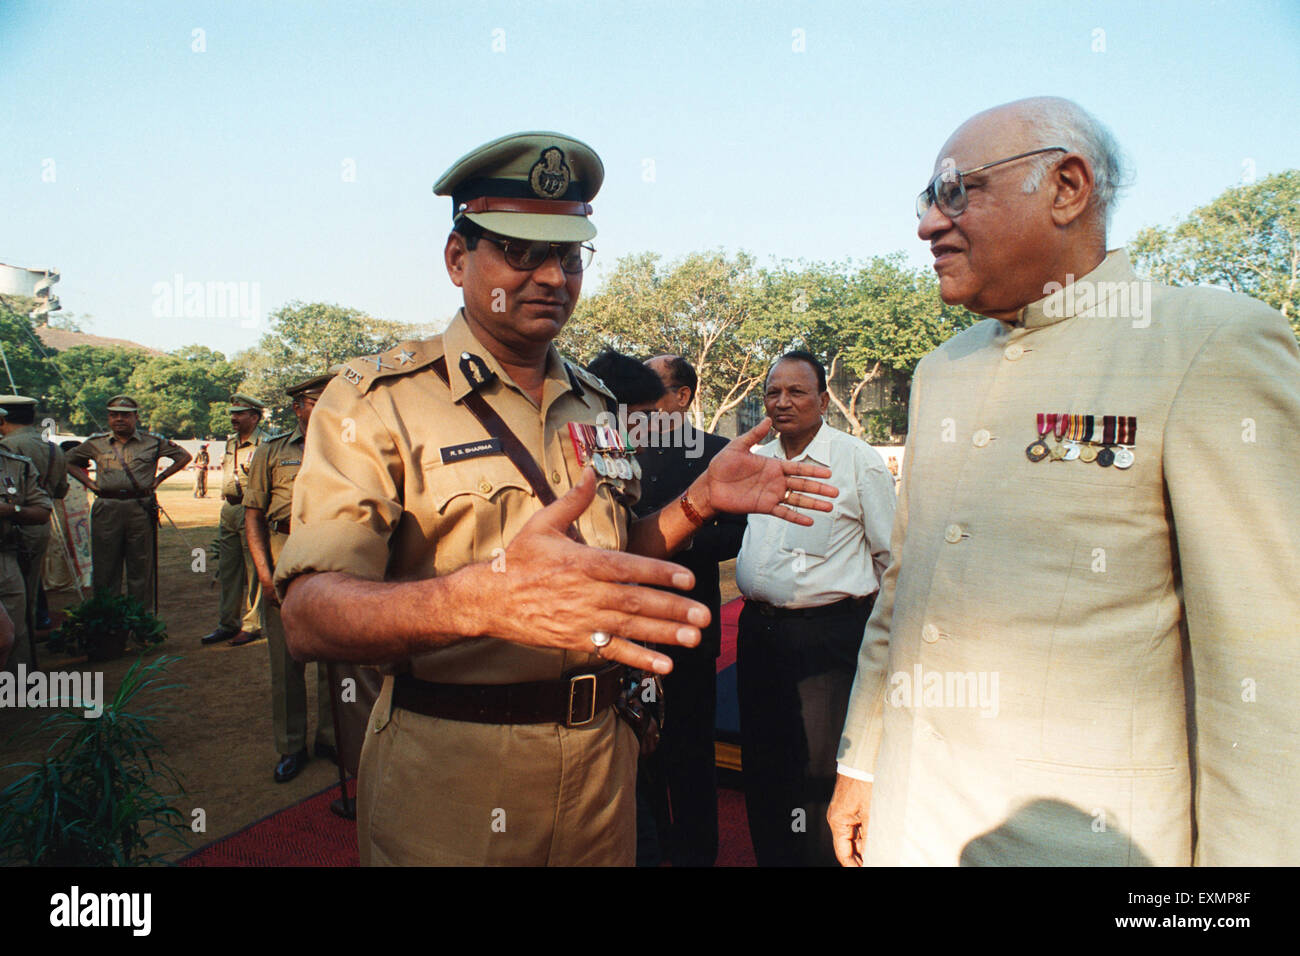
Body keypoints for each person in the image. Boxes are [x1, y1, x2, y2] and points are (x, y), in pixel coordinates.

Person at [273, 131, 837, 866]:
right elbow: (309, 615)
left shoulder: (595, 404)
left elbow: (606, 560)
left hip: (604, 771)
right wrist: (480, 602)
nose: (550, 276)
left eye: (569, 256)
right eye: (520, 250)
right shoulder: (376, 402)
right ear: (456, 258)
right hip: (454, 774)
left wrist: (697, 503)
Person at [829, 96, 1300, 867]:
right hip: (912, 828)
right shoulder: (941, 373)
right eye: (926, 199)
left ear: (1068, 187)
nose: (927, 225)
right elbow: (905, 594)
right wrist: (862, 763)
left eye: (957, 191)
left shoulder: (1208, 345)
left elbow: (1268, 672)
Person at [735, 351, 896, 866]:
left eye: (797, 392)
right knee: (762, 766)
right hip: (758, 634)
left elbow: (894, 558)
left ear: (824, 400)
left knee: (818, 774)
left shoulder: (855, 461)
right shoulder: (756, 458)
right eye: (773, 393)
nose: (782, 402)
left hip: (825, 640)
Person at [588, 350, 746, 867]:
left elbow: (736, 535)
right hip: (625, 632)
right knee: (637, 753)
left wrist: (669, 542)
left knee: (692, 751)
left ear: (679, 397)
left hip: (688, 626)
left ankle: (697, 854)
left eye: (649, 389)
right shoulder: (606, 449)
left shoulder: (718, 454)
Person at [244, 374, 336, 783]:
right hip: (284, 554)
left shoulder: (351, 446)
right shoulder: (272, 450)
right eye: (318, 401)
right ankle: (291, 745)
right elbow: (253, 515)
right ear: (299, 406)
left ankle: (333, 738)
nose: (328, 407)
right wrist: (265, 575)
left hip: (335, 555)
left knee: (338, 656)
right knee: (286, 661)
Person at [65, 396, 190, 614]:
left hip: (139, 507)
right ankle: (108, 620)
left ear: (136, 417)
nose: (119, 419)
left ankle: (141, 621)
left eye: (125, 415)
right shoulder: (96, 442)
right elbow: (67, 461)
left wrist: (159, 479)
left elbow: (183, 456)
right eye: (114, 415)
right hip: (107, 506)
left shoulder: (152, 441)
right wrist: (89, 483)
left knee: (141, 566)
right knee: (105, 567)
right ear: (108, 418)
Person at [202, 395, 271, 646]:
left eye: (240, 413)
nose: (233, 418)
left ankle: (252, 624)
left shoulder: (266, 443)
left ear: (254, 416)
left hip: (252, 510)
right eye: (232, 413)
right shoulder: (231, 443)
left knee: (254, 569)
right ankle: (227, 623)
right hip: (229, 509)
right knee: (229, 570)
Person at [0, 395, 68, 640]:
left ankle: (20, 649)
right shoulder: (52, 446)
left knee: (14, 597)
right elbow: (61, 490)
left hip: (14, 526)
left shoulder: (8, 447)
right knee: (28, 587)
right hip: (40, 522)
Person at [0, 418, 53, 673]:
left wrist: (10, 510)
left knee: (15, 627)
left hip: (5, 556)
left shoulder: (16, 466)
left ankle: (14, 683)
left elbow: (42, 511)